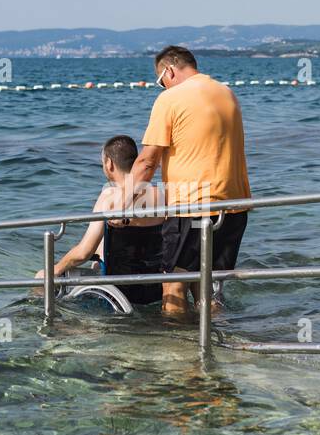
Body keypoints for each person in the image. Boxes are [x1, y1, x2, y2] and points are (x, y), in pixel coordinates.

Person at [130, 46, 250, 315]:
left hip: (192, 206)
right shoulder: (226, 93)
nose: (162, 88)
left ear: (169, 70)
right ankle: (216, 342)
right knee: (205, 287)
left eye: (160, 82)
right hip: (234, 206)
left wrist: (125, 202)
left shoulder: (171, 98)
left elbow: (147, 161)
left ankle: (178, 349)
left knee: (173, 285)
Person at [35, 135, 165, 306]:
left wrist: (55, 269)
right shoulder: (160, 194)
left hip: (119, 293)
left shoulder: (109, 197)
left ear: (109, 164)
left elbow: (83, 253)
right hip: (156, 290)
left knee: (41, 278)